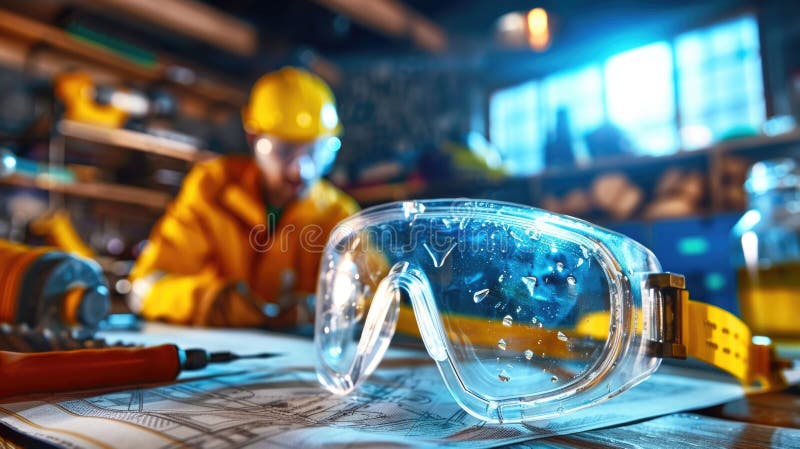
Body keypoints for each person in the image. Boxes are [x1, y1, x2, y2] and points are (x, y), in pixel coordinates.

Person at [129, 67, 358, 327]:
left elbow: (376, 298)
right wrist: (212, 302)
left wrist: (328, 310)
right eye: (284, 150)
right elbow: (146, 286)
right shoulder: (211, 187)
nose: (300, 169)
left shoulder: (338, 215)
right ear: (253, 138)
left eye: (318, 151)